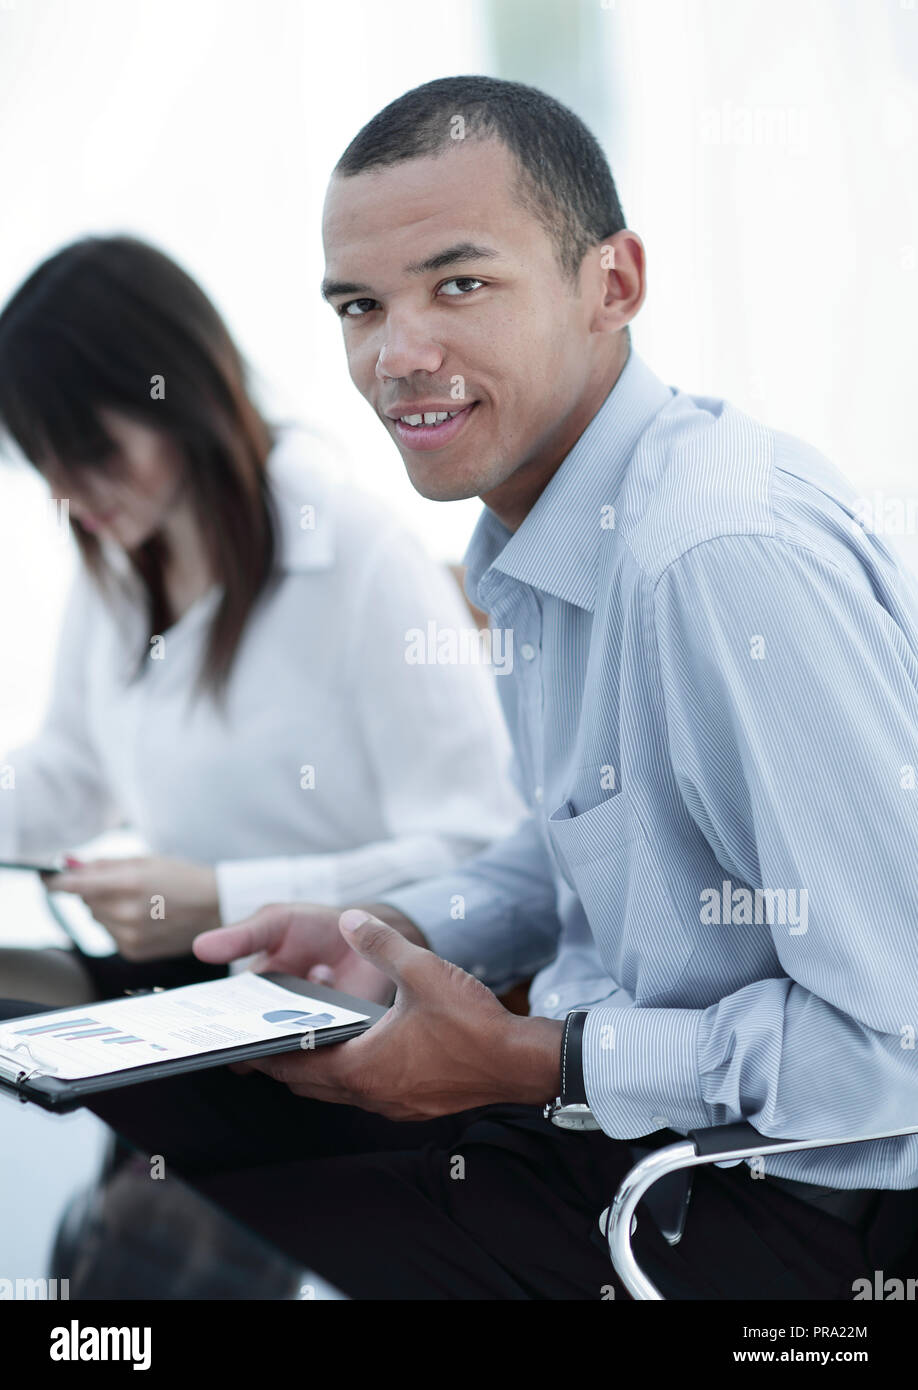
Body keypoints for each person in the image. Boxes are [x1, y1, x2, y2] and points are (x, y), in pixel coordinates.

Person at [4, 75, 918, 1300]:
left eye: (461, 284)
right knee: (167, 1119)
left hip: (778, 1214)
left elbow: (900, 1043)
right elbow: (567, 856)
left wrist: (537, 1060)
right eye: (359, 306)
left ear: (616, 284)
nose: (398, 355)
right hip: (622, 1132)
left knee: (194, 1222)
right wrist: (399, 927)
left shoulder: (711, 563)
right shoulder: (544, 547)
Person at [0, 233, 524, 1008]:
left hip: (350, 1011)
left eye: (93, 452)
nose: (68, 493)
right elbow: (72, 778)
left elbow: (476, 846)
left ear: (180, 395)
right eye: (46, 465)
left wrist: (225, 896)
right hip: (207, 988)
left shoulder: (357, 554)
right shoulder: (115, 568)